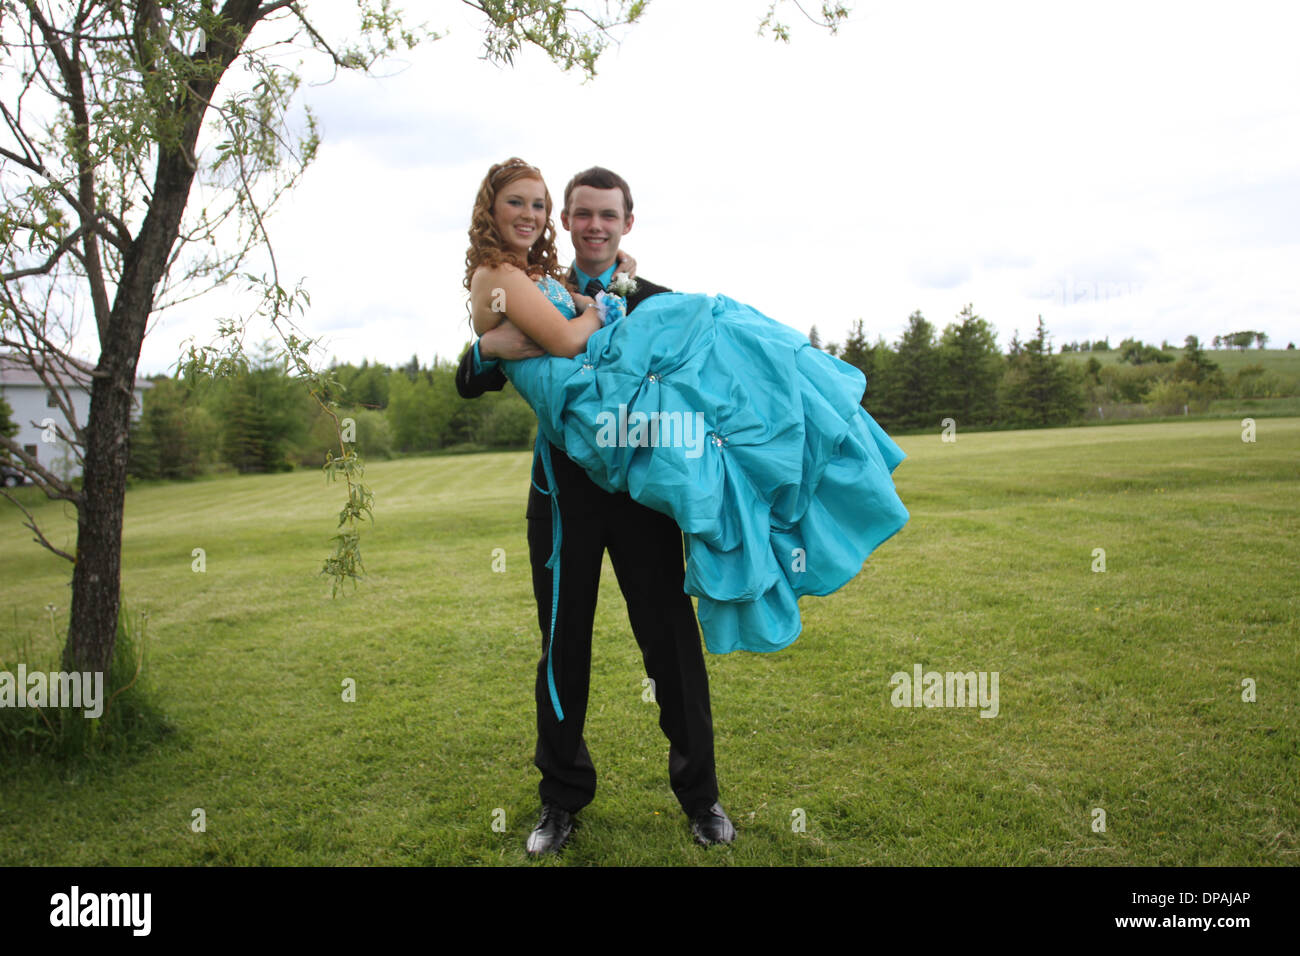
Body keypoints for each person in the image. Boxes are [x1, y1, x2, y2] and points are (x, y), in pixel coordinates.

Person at [457, 160, 735, 855]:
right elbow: (470, 378)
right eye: (581, 213)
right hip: (562, 499)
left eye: (608, 215)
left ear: (626, 224)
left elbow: (697, 376)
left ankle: (702, 800)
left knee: (671, 643)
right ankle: (560, 802)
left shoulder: (649, 297)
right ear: (567, 221)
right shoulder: (532, 288)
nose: (594, 225)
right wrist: (482, 349)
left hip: (643, 500)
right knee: (563, 647)